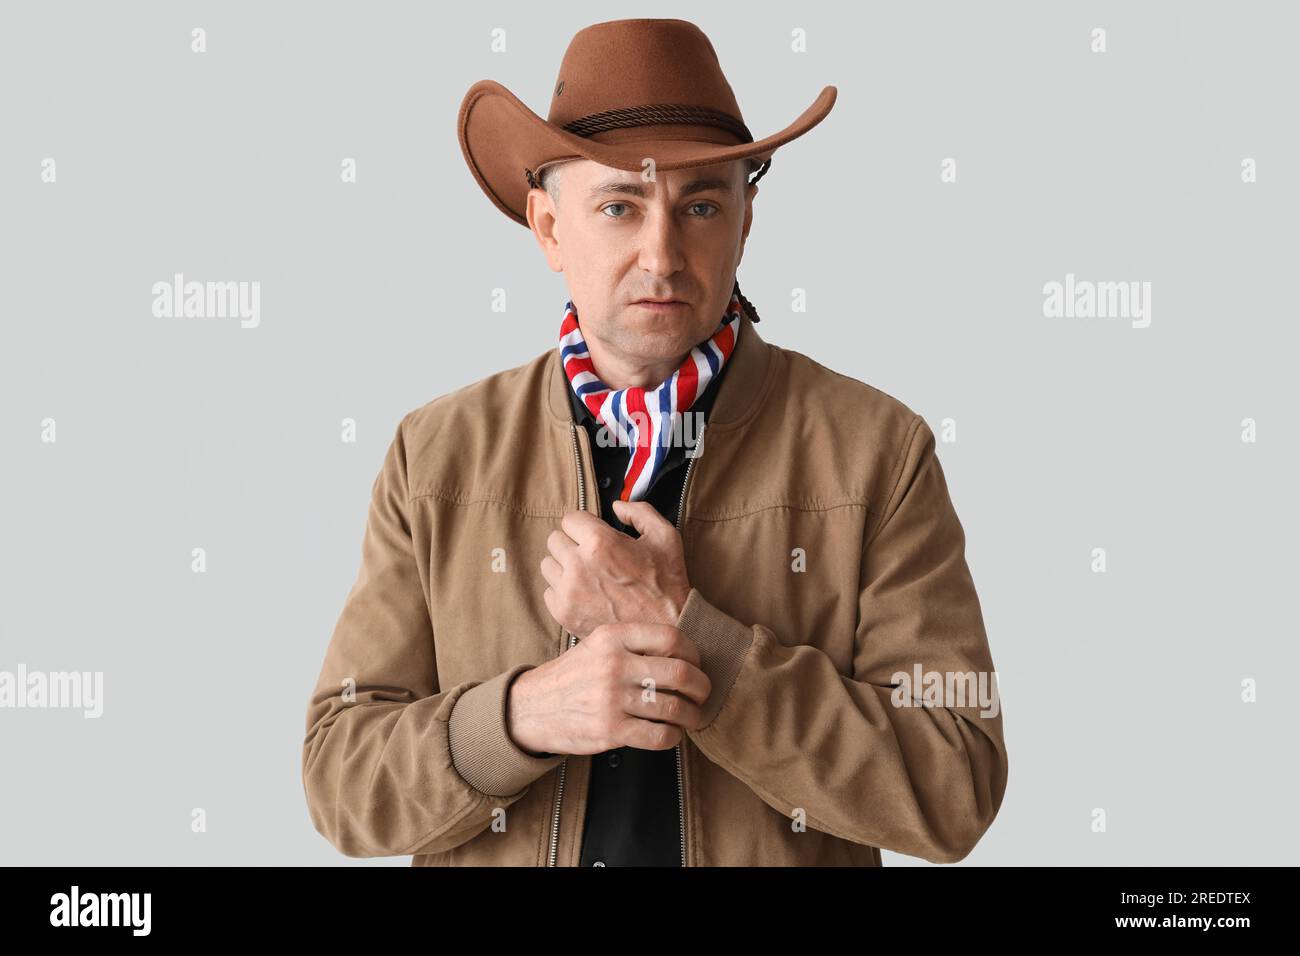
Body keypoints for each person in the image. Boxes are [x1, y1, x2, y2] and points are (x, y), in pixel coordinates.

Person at [302, 17, 1008, 866]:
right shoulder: (436, 454)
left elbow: (955, 784)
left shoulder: (878, 453)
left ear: (747, 220)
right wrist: (523, 715)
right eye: (619, 206)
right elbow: (341, 778)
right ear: (550, 228)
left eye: (701, 204)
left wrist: (694, 641)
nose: (662, 255)